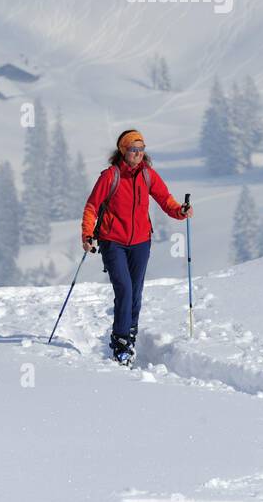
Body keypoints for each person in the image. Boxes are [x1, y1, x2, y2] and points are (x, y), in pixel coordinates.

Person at [81, 129, 192, 364]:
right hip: (113, 242)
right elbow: (92, 206)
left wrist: (180, 211)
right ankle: (120, 341)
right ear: (123, 151)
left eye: (142, 150)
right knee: (125, 290)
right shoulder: (111, 176)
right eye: (134, 149)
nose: (138, 154)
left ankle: (129, 335)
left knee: (136, 293)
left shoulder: (148, 176)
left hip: (141, 242)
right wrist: (88, 234)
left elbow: (165, 199)